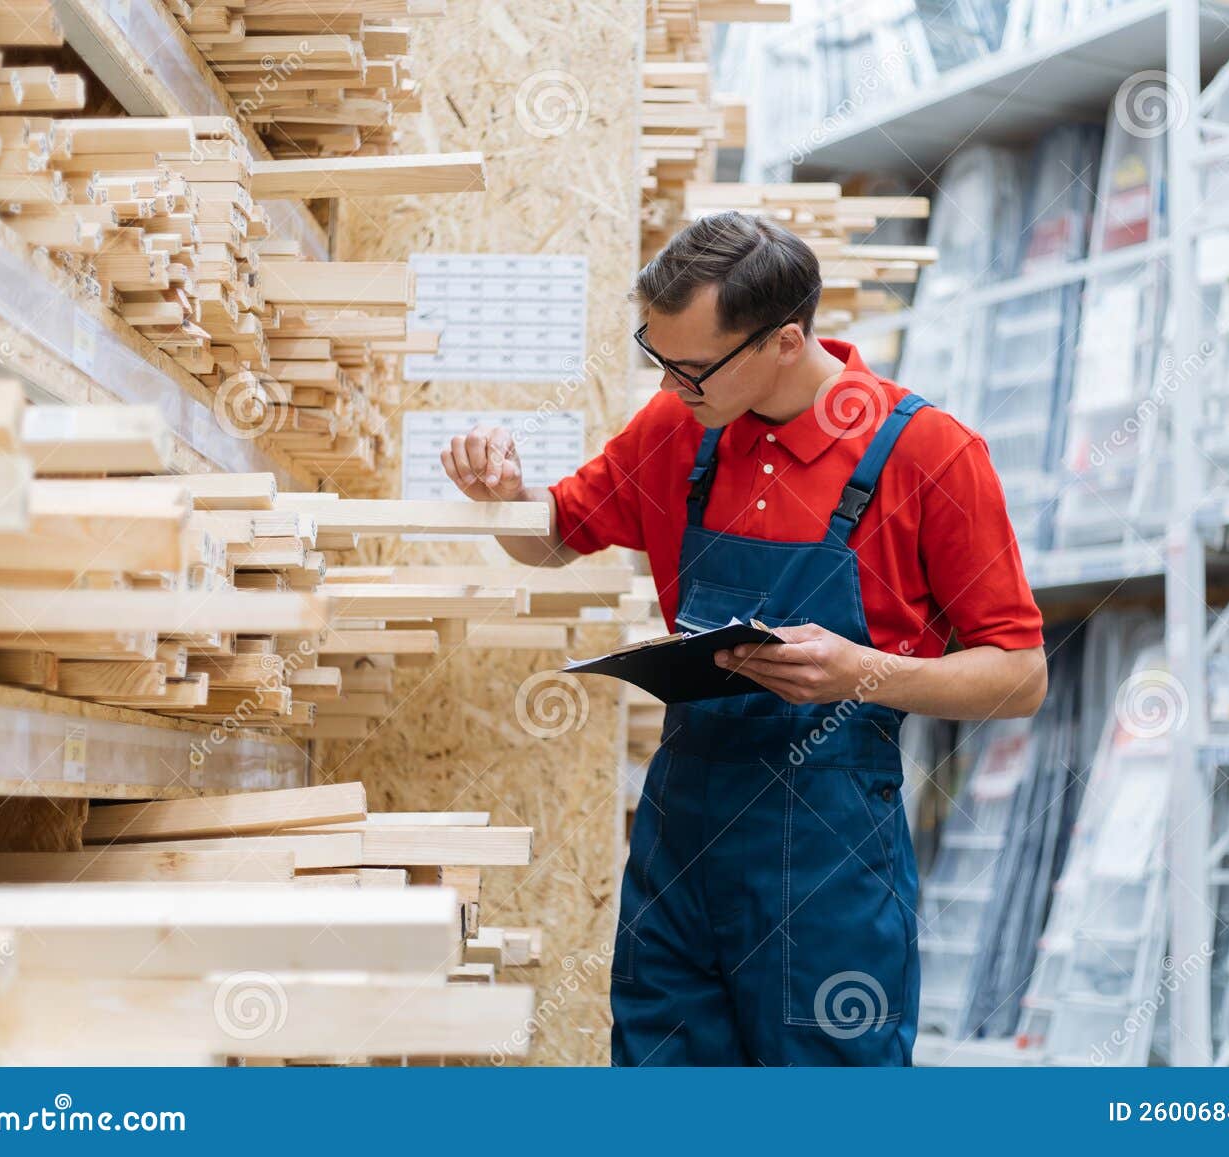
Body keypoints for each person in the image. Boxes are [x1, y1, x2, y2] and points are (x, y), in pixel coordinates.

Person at [442, 211, 1047, 1066]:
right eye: (656, 356)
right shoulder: (676, 429)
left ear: (784, 341)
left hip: (828, 852)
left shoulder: (930, 455)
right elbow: (555, 535)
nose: (669, 384)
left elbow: (1020, 675)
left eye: (690, 367)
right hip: (682, 836)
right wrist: (502, 495)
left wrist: (860, 674)